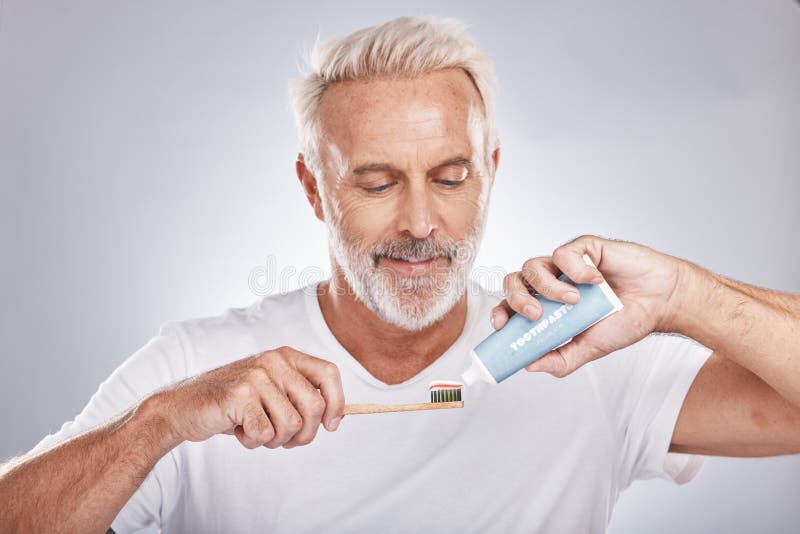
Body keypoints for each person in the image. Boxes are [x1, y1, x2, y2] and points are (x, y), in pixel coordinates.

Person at [1, 15, 799, 534]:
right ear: (314, 187)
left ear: (489, 172)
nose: (421, 222)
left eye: (449, 178)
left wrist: (685, 297)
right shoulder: (193, 369)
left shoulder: (585, 356)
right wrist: (158, 425)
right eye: (378, 184)